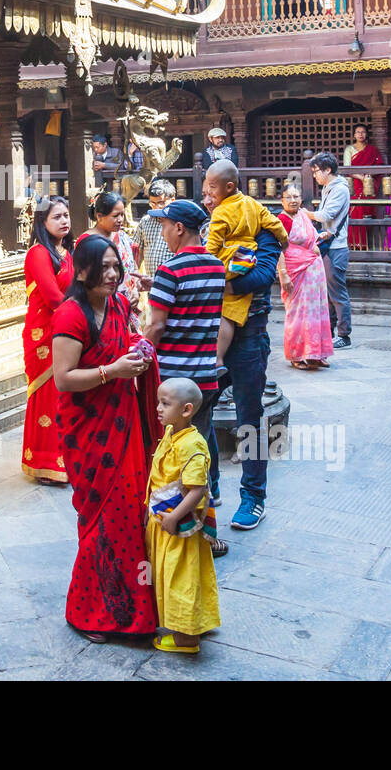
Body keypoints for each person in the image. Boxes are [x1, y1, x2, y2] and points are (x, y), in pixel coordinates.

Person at [50, 233, 158, 642]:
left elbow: (123, 342)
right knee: (98, 519)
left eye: (117, 266)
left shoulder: (116, 304)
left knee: (128, 514)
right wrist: (112, 371)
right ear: (81, 272)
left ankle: (131, 608)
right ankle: (90, 611)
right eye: (105, 268)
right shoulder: (71, 315)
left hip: (122, 421)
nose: (114, 274)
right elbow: (63, 378)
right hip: (87, 430)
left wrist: (139, 350)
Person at [141, 198, 228, 557]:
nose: (162, 232)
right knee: (199, 455)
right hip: (205, 378)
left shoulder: (170, 270)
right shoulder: (216, 267)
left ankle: (177, 531)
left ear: (179, 228)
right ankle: (207, 534)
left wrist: (139, 352)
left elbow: (157, 325)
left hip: (174, 383)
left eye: (165, 226)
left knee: (172, 461)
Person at [203, 170, 283, 533]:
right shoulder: (217, 222)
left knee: (249, 416)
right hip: (212, 333)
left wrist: (218, 281)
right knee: (200, 408)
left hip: (250, 334)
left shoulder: (263, 227)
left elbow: (263, 276)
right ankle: (211, 484)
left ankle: (254, 496)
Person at [145, 377, 220, 654]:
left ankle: (187, 638)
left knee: (181, 578)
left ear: (187, 410)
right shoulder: (172, 432)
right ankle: (196, 620)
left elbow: (197, 490)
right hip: (164, 518)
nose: (158, 409)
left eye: (165, 404)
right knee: (178, 574)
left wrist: (174, 517)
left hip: (179, 526)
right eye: (158, 402)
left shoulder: (193, 445)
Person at [203, 160, 286, 370]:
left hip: (228, 262)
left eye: (212, 189)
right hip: (246, 259)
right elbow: (275, 223)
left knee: (226, 312)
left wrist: (204, 270)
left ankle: (218, 358)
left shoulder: (221, 213)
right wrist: (285, 239)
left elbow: (212, 248)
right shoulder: (252, 204)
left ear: (228, 187)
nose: (209, 198)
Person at [21, 196, 74, 484]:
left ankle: (66, 459)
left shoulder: (66, 252)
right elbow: (54, 297)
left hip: (67, 329)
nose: (64, 221)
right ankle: (44, 462)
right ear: (42, 222)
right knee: (47, 395)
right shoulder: (38, 253)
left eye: (66, 215)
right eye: (57, 217)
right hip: (45, 335)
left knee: (66, 395)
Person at [277, 183, 333, 370]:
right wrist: (283, 274)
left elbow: (309, 238)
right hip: (295, 271)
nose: (293, 200)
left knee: (317, 311)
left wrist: (320, 237)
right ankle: (297, 354)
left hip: (314, 272)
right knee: (298, 313)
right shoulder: (281, 220)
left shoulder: (303, 215)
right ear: (282, 200)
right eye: (289, 197)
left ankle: (316, 353)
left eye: (296, 197)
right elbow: (279, 250)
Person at [308, 152, 353, 349]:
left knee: (337, 293)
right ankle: (331, 331)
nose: (315, 175)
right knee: (329, 292)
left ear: (327, 170)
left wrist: (304, 213)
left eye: (316, 171)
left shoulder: (340, 189)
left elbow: (327, 214)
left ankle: (344, 334)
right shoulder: (328, 187)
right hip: (330, 245)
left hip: (337, 247)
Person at [77, 190, 145, 309]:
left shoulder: (122, 236)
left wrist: (134, 290)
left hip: (127, 303)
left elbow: (133, 267)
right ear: (99, 216)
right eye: (115, 216)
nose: (120, 220)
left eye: (122, 214)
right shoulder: (87, 241)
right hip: (99, 305)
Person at [342, 125, 383, 249]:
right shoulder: (349, 149)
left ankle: (371, 243)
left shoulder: (372, 150)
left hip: (370, 184)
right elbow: (347, 169)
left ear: (366, 134)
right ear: (354, 135)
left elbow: (379, 166)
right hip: (355, 185)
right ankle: (355, 243)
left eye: (363, 132)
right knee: (355, 211)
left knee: (368, 213)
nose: (360, 134)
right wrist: (361, 177)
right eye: (358, 132)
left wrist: (368, 177)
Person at [135, 180, 176, 277]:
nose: (157, 207)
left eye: (161, 203)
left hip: (173, 279)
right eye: (153, 203)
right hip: (151, 281)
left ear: (172, 201)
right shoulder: (145, 221)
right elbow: (138, 252)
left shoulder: (178, 222)